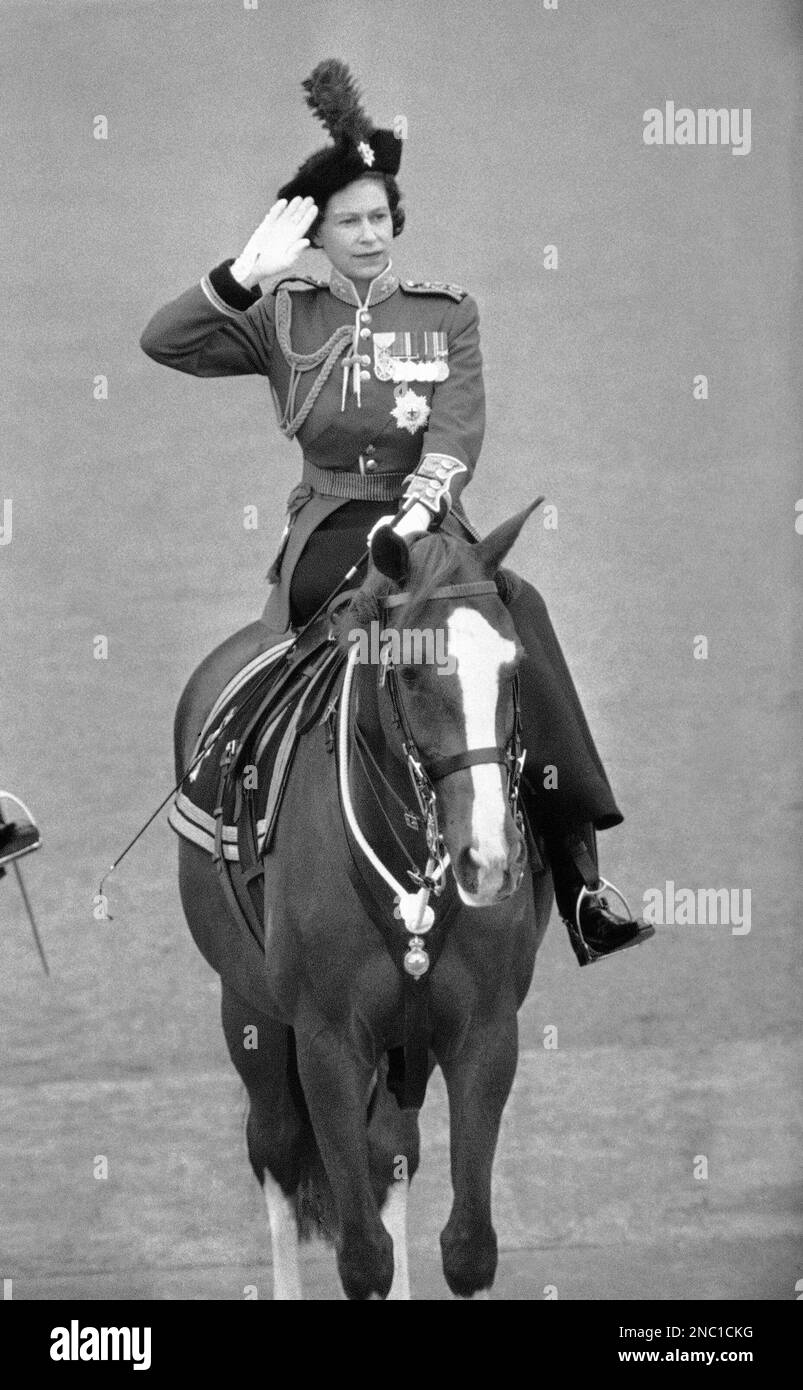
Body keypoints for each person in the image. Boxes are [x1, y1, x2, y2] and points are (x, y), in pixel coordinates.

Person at [140, 59, 653, 966]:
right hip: (329, 530)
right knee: (268, 677)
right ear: (318, 237)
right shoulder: (281, 316)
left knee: (517, 619)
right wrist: (239, 276)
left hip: (424, 529)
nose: (370, 235)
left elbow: (454, 431)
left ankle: (577, 879)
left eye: (380, 218)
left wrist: (419, 518)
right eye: (349, 222)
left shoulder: (446, 314)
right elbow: (165, 342)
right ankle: (243, 838)